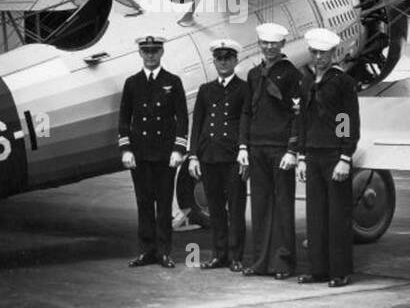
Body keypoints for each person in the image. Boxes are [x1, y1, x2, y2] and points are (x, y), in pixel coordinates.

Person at [296, 28, 361, 288]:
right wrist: (301, 155)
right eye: (314, 52)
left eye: (324, 53)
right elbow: (301, 120)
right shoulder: (307, 81)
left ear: (334, 53)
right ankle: (318, 269)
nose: (319, 57)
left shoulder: (343, 82)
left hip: (334, 156)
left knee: (337, 217)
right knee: (316, 216)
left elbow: (347, 120)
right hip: (312, 154)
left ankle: (340, 271)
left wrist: (345, 156)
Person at [118, 35, 189, 269]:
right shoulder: (132, 82)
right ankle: (146, 251)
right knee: (144, 202)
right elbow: (124, 119)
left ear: (162, 53)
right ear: (140, 53)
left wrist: (179, 149)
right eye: (146, 51)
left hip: (165, 154)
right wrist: (126, 149)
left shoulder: (173, 81)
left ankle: (164, 252)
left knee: (165, 203)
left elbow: (182, 118)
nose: (150, 55)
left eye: (154, 51)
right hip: (140, 154)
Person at [239, 22, 302, 279]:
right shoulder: (254, 75)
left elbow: (298, 115)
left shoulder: (293, 75)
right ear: (259, 44)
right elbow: (246, 112)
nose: (269, 48)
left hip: (280, 149)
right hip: (257, 148)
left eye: (274, 44)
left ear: (282, 45)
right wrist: (243, 146)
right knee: (260, 206)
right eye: (264, 43)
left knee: (284, 205)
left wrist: (292, 149)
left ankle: (283, 262)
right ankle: (260, 262)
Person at [187, 39, 248, 271]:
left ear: (235, 60)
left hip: (232, 157)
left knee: (235, 209)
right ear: (214, 61)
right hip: (209, 157)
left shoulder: (243, 89)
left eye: (228, 58)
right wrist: (193, 156)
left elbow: (245, 121)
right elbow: (198, 124)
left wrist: (244, 149)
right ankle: (219, 255)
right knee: (215, 208)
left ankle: (236, 257)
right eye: (219, 58)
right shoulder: (206, 90)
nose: (223, 62)